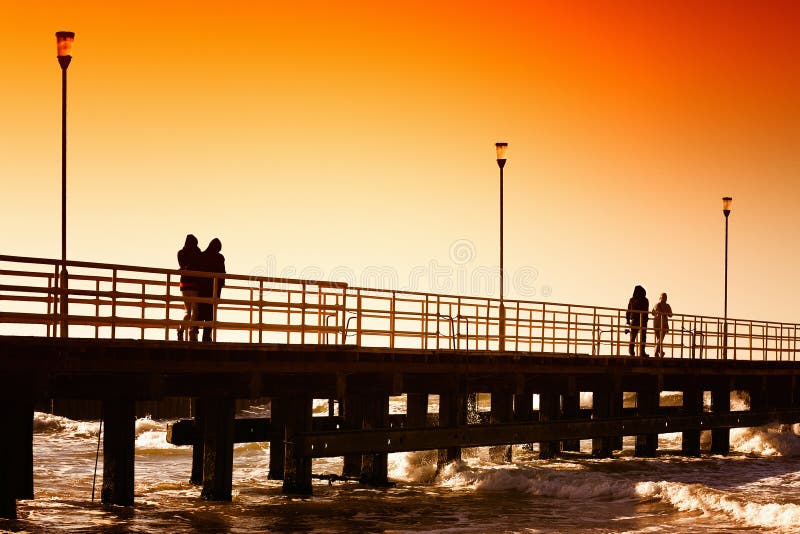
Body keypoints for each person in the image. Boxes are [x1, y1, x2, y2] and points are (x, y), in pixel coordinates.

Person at [198, 238, 226, 342]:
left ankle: (194, 332)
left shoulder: (202, 255)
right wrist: (221, 285)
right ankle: (206, 336)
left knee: (200, 311)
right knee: (210, 313)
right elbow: (222, 273)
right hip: (214, 289)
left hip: (202, 288)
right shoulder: (219, 257)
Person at [177, 234, 202, 341]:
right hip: (194, 284)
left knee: (187, 311)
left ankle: (180, 330)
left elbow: (182, 266)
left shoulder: (181, 253)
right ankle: (192, 332)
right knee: (195, 310)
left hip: (183, 284)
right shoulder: (197, 253)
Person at [626, 285, 649, 357]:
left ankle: (632, 351)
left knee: (633, 336)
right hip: (641, 320)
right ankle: (641, 352)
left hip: (635, 319)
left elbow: (628, 310)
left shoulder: (632, 300)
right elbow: (646, 311)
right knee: (642, 336)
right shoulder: (645, 300)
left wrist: (627, 320)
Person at [651, 292, 673, 358]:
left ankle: (660, 352)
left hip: (656, 324)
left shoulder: (656, 305)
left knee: (659, 339)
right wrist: (665, 313)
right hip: (663, 324)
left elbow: (652, 313)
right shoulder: (666, 306)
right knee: (660, 339)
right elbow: (670, 315)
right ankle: (656, 351)